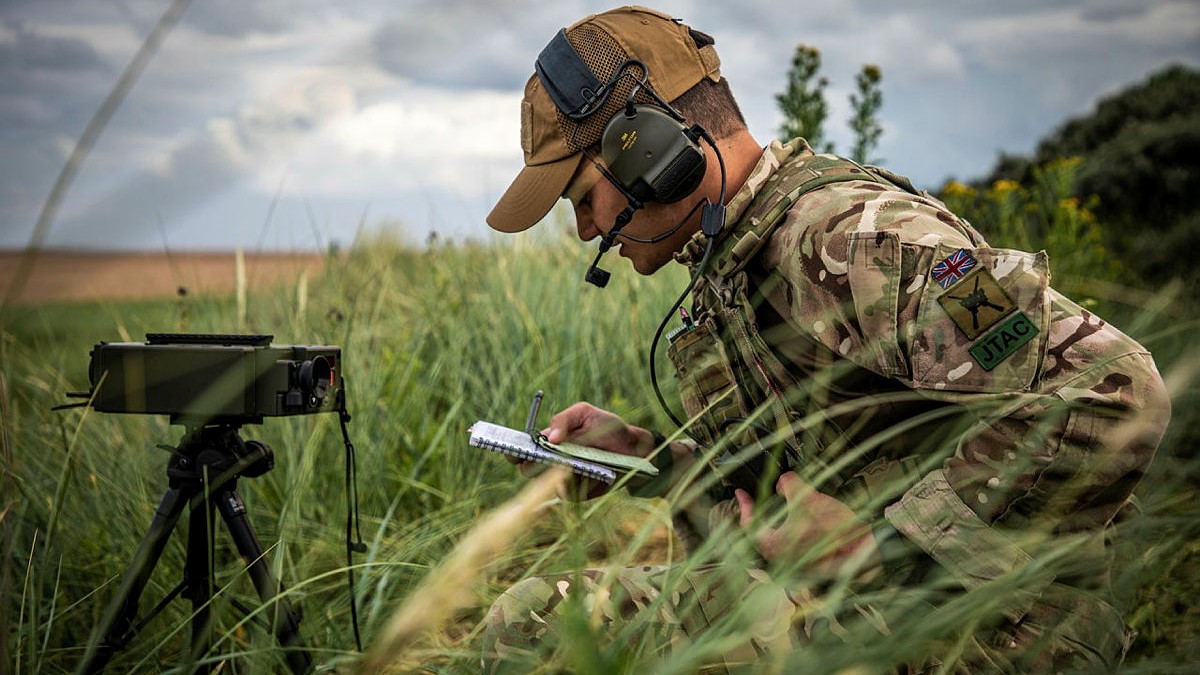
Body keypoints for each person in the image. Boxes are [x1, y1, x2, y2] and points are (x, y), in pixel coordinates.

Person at [480, 5, 1171, 672]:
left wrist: (881, 543)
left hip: (993, 625)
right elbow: (784, 501)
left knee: (544, 631)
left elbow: (1114, 386)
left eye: (583, 199)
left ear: (650, 155)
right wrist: (649, 462)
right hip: (865, 602)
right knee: (538, 618)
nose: (586, 231)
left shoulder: (852, 240)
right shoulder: (733, 262)